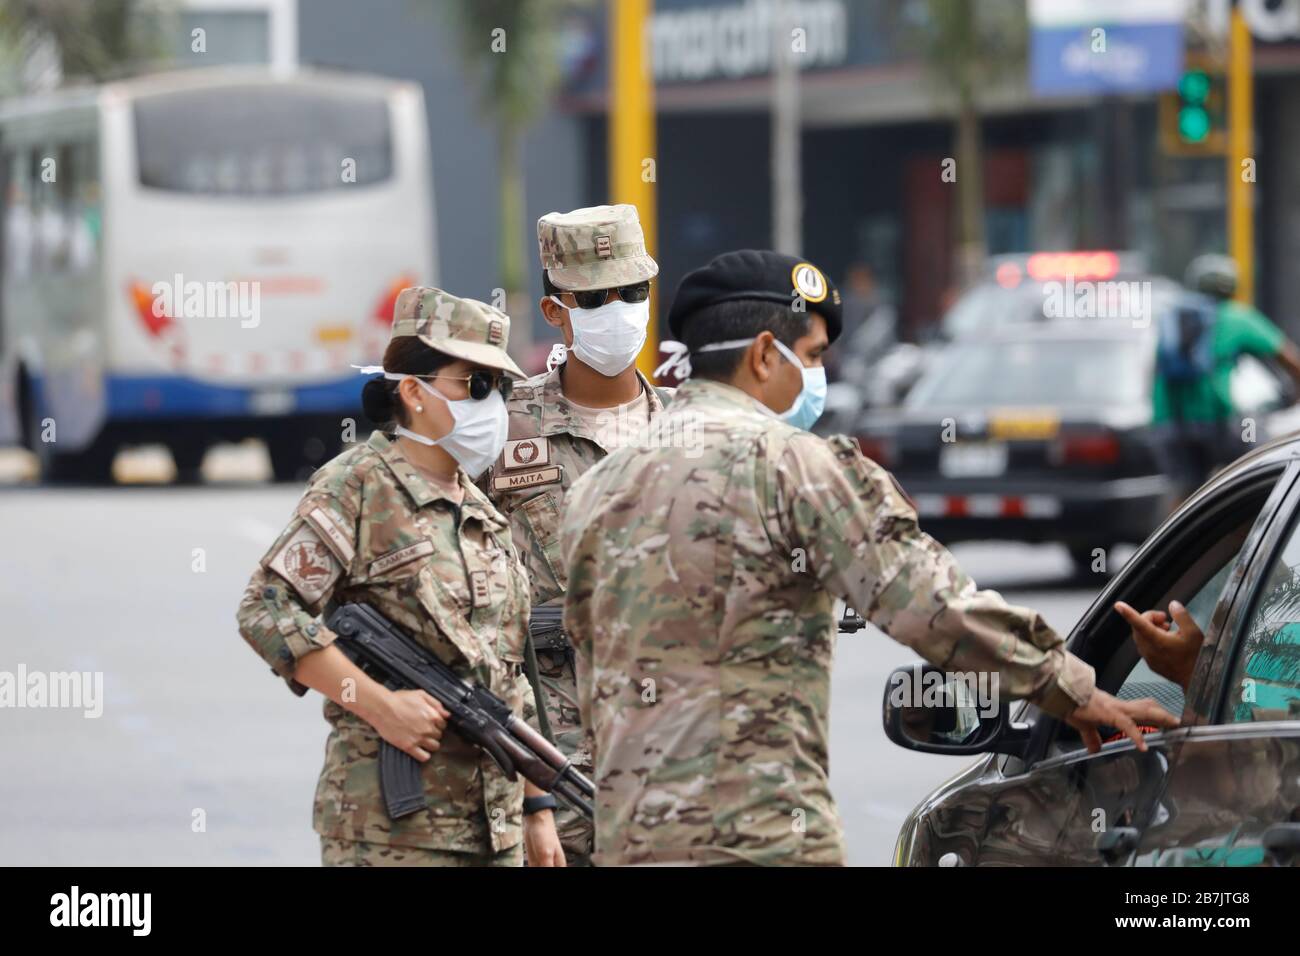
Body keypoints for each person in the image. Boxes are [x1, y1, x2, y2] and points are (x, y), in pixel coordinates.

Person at [558, 249, 1178, 866]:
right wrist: (1068, 686)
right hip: (757, 840)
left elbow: (587, 673)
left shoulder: (595, 490)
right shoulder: (792, 465)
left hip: (629, 844)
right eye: (814, 355)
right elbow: (930, 603)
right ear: (764, 354)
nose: (819, 374)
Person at [234, 287, 565, 867]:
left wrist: (538, 812)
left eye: (503, 389)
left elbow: (510, 674)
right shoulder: (357, 486)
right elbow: (267, 609)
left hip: (496, 828)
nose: (493, 406)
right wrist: (378, 703)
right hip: (391, 830)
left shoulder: (485, 513)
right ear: (412, 390)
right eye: (477, 385)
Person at [478, 203, 670, 867]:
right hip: (552, 772)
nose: (619, 312)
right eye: (595, 298)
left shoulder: (694, 432)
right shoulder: (502, 430)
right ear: (558, 311)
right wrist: (530, 805)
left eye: (633, 293)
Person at [1154, 254, 1300, 500]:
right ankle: (1256, 530)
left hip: (1169, 422)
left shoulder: (1172, 317)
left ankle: (1184, 537)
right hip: (1222, 420)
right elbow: (1287, 358)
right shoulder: (1236, 316)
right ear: (1232, 287)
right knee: (1261, 465)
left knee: (1184, 494)